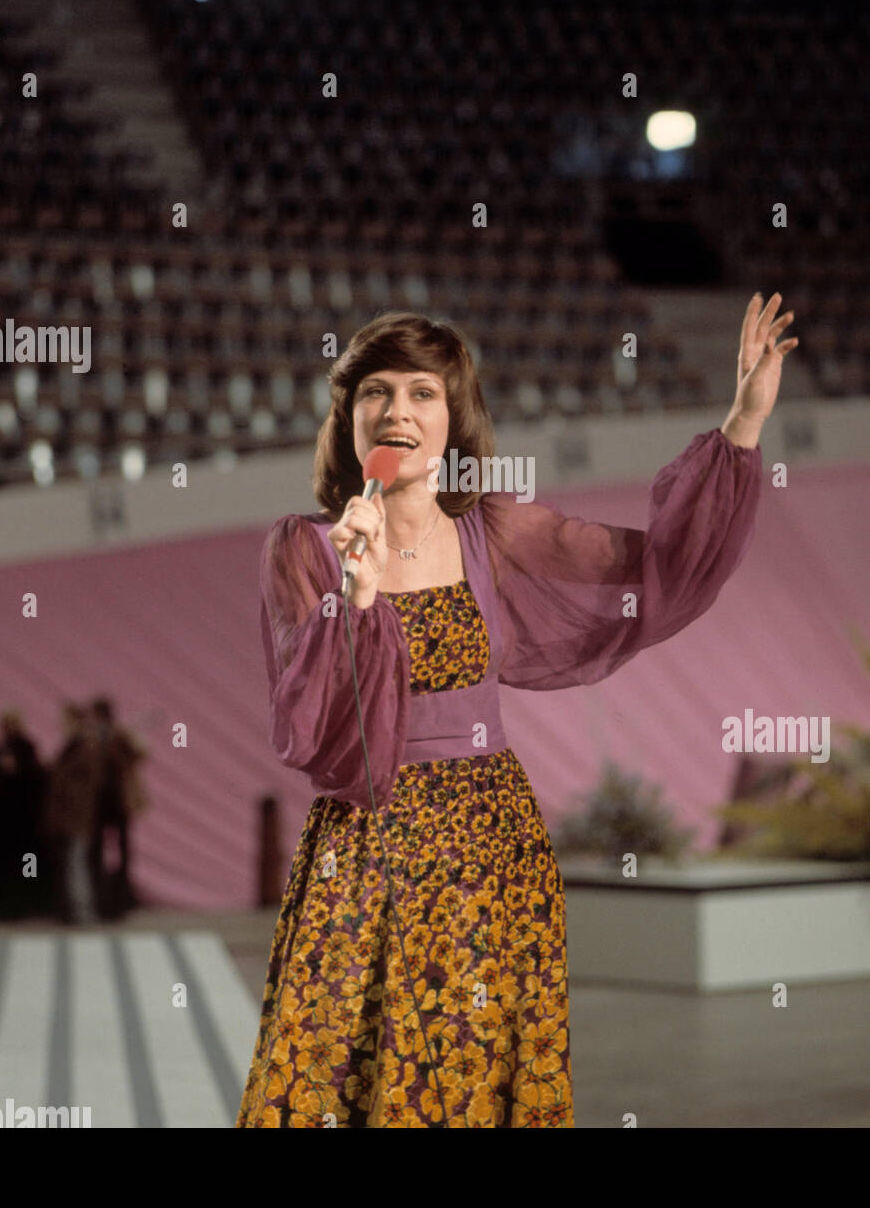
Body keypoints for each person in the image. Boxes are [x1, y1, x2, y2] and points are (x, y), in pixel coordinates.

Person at [236, 296, 796, 1129]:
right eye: (375, 394)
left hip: (487, 854)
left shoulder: (491, 537)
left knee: (466, 1083)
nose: (398, 412)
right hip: (362, 856)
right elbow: (314, 729)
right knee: (328, 1083)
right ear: (346, 419)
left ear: (454, 420)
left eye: (423, 393)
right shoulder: (305, 549)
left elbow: (654, 579)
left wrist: (744, 424)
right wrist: (355, 597)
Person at [0, 710, 49, 921]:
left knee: (29, 865)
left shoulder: (28, 748)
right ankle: (6, 906)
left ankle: (29, 903)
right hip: (2, 822)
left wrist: (17, 770)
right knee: (5, 866)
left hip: (26, 821)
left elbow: (37, 779)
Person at [86, 698, 147, 919]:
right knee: (97, 851)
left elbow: (141, 754)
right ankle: (101, 898)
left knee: (123, 852)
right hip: (98, 803)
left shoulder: (119, 737)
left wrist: (126, 736)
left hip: (118, 802)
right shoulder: (91, 738)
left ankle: (121, 899)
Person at [44, 703, 102, 924]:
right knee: (72, 863)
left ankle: (83, 910)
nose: (62, 725)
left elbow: (88, 783)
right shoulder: (73, 747)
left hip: (77, 815)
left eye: (66, 721)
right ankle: (75, 908)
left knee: (77, 863)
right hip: (69, 815)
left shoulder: (85, 748)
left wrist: (62, 781)